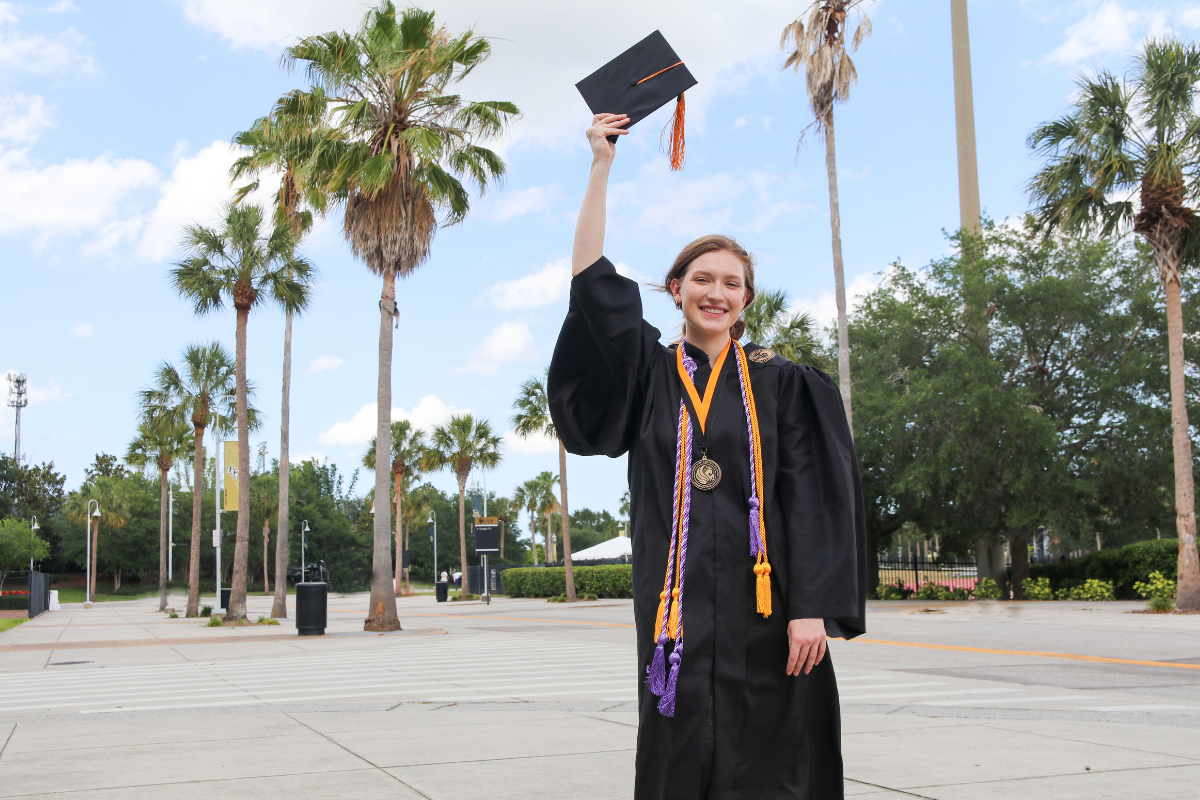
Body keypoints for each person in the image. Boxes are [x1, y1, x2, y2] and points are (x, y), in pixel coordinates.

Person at [548, 113, 866, 799]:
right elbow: (592, 291)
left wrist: (811, 606)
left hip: (774, 613)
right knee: (679, 753)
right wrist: (601, 166)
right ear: (675, 290)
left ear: (746, 300)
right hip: (675, 612)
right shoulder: (648, 375)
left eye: (730, 283)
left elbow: (812, 498)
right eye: (701, 279)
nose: (715, 292)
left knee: (780, 759)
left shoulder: (784, 383)